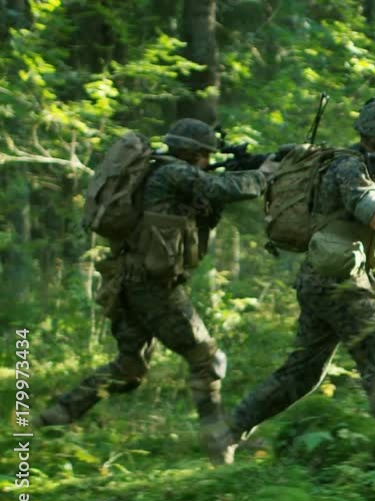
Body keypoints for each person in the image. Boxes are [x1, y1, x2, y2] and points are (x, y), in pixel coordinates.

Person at [39, 118, 277, 465]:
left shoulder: (160, 172)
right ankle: (219, 445)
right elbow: (224, 189)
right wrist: (266, 172)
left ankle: (56, 417)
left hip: (129, 282)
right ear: (196, 153)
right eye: (206, 156)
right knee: (207, 359)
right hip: (152, 288)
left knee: (129, 366)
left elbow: (207, 197)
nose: (209, 162)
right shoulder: (172, 174)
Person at [224, 98, 375, 456]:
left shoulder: (373, 171)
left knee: (303, 373)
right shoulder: (348, 169)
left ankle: (228, 431)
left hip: (329, 278)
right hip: (338, 283)